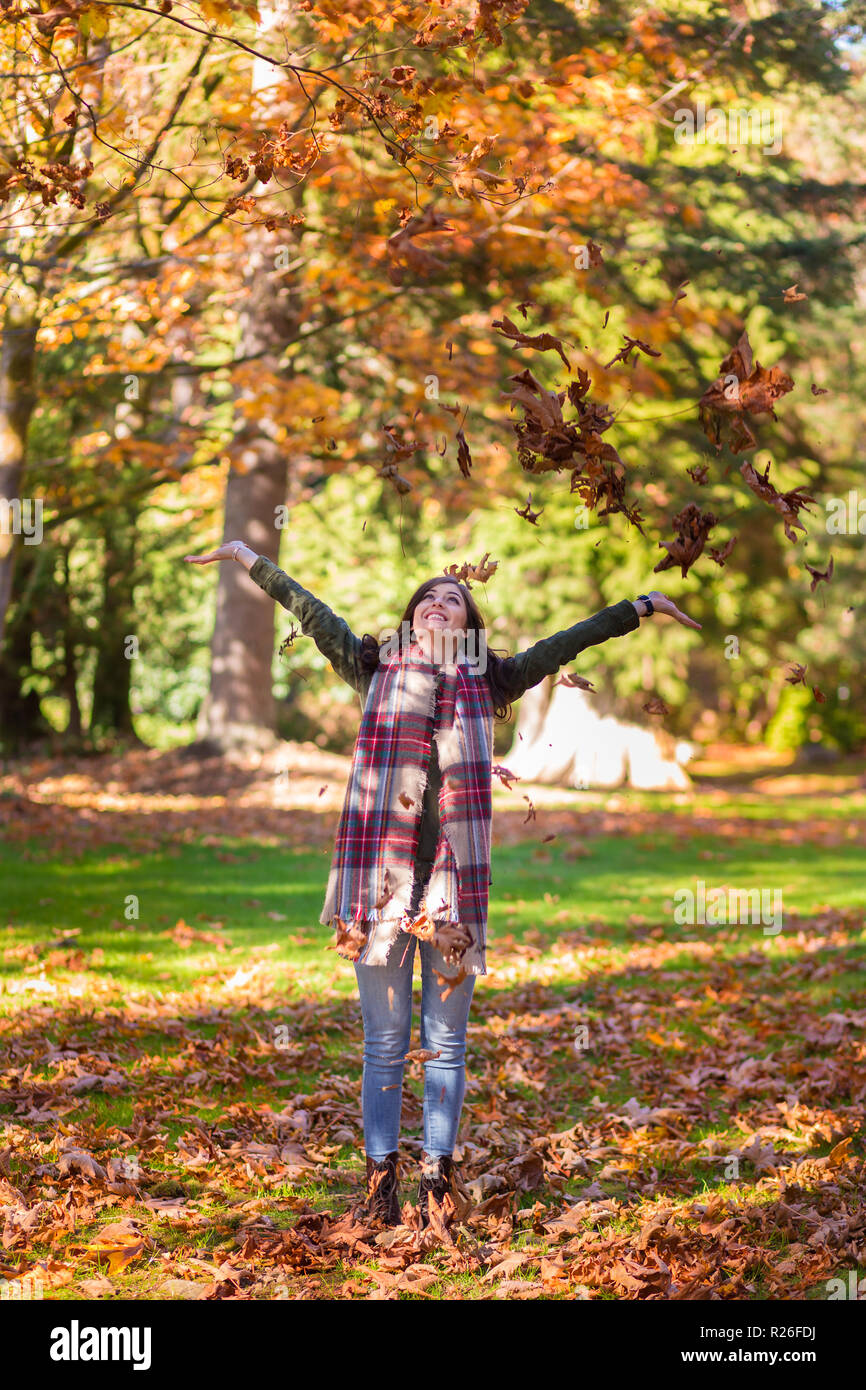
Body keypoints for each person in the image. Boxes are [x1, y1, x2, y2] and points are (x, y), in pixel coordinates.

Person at [184, 540, 701, 1227]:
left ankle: (436, 1178)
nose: (438, 603)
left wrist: (637, 608)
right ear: (411, 615)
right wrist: (249, 555)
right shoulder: (373, 668)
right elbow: (310, 610)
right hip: (381, 886)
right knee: (385, 1041)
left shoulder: (491, 681)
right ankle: (378, 1183)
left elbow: (564, 643)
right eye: (427, 596)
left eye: (452, 598)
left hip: (453, 891)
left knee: (448, 1042)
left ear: (467, 623)